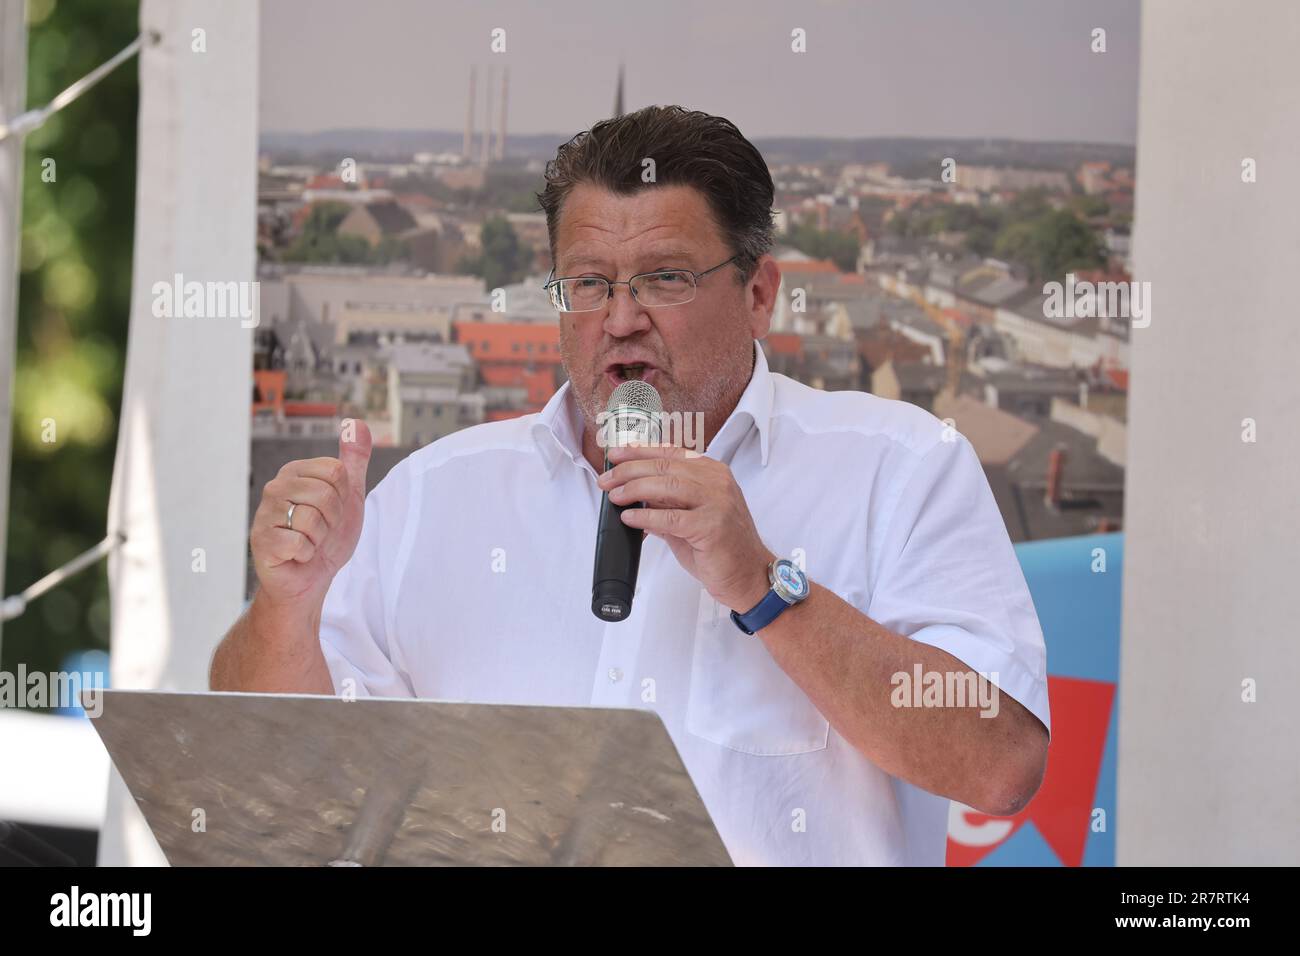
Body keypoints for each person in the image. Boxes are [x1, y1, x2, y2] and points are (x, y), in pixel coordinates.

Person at [211, 105, 1049, 866]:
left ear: (759, 294)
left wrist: (763, 588)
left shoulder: (900, 467)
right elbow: (278, 771)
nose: (620, 318)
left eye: (664, 278)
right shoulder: (435, 494)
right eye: (589, 283)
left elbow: (1000, 764)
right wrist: (287, 601)